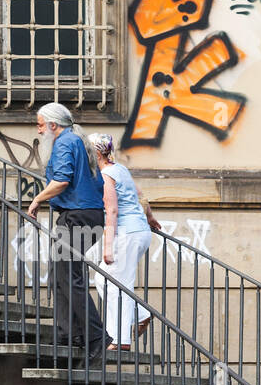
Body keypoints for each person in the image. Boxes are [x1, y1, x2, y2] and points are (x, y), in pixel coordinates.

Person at [25, 103, 106, 362]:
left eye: (40, 124)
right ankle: (67, 333)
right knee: (61, 274)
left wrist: (37, 199)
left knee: (69, 278)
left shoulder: (64, 142)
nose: (38, 130)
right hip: (85, 214)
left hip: (78, 216)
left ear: (52, 125)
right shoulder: (77, 141)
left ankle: (95, 336)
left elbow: (61, 181)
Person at [89, 133, 163, 349]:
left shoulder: (106, 176)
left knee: (118, 285)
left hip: (127, 234)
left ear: (97, 152)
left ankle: (120, 339)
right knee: (103, 280)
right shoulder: (120, 169)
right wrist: (149, 217)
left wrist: (108, 246)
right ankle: (141, 314)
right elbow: (140, 195)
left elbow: (111, 210)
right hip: (139, 232)